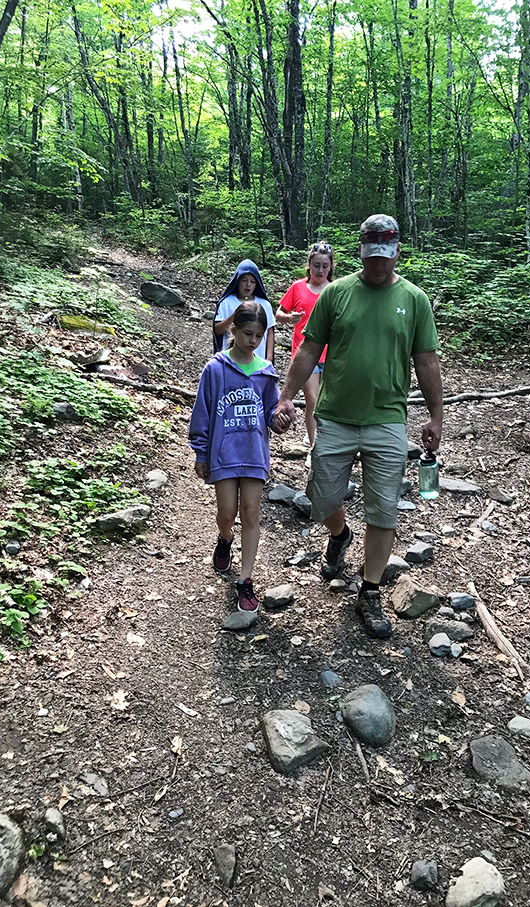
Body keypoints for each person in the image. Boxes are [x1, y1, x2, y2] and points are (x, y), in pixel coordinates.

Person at [274, 215, 443, 639]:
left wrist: (436, 415)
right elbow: (309, 348)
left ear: (397, 253)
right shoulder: (337, 293)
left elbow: (426, 362)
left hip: (388, 420)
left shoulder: (414, 300)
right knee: (322, 495)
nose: (378, 266)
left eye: (385, 258)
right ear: (361, 252)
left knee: (384, 509)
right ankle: (341, 533)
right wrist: (286, 395)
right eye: (372, 258)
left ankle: (369, 592)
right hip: (334, 417)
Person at [190, 302, 286, 612]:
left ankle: (245, 581)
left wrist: (280, 419)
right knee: (227, 513)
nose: (253, 341)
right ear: (233, 329)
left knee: (252, 513)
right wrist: (201, 452)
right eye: (248, 333)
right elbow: (202, 413)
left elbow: (271, 412)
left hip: (254, 454)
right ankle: (224, 537)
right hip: (224, 453)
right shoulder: (215, 369)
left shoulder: (265, 372)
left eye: (259, 335)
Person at [275, 242, 333, 450]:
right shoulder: (297, 287)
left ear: (330, 267)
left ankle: (328, 443)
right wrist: (291, 318)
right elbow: (278, 314)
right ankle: (314, 446)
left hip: (333, 355)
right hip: (306, 354)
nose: (320, 270)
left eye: (325, 266)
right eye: (316, 265)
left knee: (330, 403)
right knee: (313, 400)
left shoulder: (335, 290)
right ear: (308, 265)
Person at [213, 260, 275, 362]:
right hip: (230, 360)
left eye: (252, 281)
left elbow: (270, 332)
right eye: (244, 280)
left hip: (258, 360)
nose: (248, 285)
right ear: (237, 281)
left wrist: (269, 359)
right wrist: (235, 314)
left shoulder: (265, 304)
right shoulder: (227, 302)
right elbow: (218, 330)